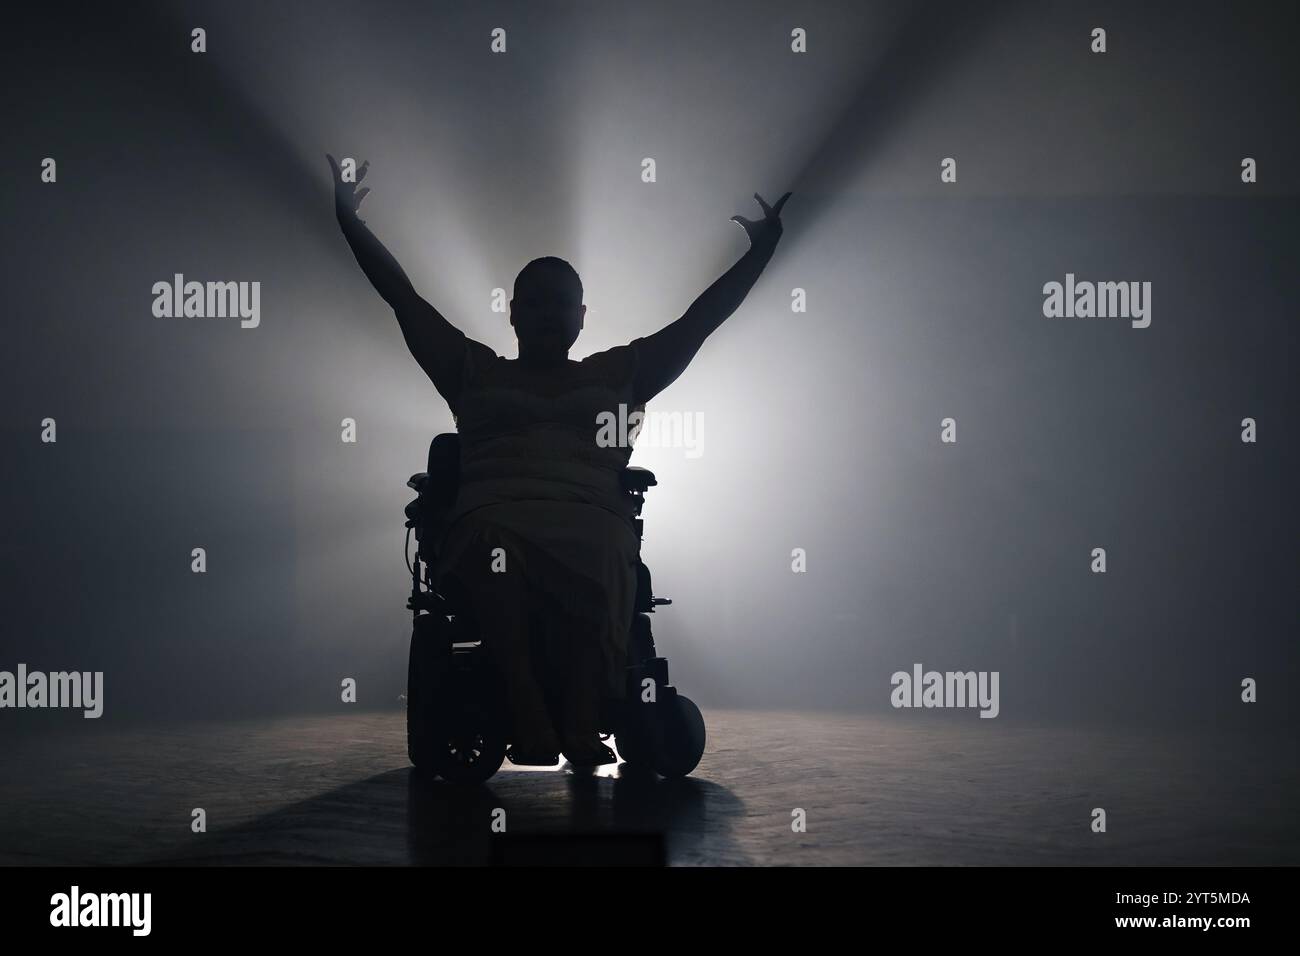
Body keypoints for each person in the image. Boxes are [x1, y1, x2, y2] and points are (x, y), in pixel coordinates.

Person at [328, 154, 789, 766]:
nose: (549, 314)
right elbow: (403, 300)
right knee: (497, 548)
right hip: (491, 517)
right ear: (513, 312)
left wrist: (759, 254)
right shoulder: (475, 371)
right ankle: (525, 704)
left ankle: (578, 723)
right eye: (536, 302)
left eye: (562, 303)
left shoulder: (620, 372)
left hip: (590, 517)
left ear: (581, 317)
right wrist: (350, 225)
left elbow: (699, 323)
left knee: (605, 546)